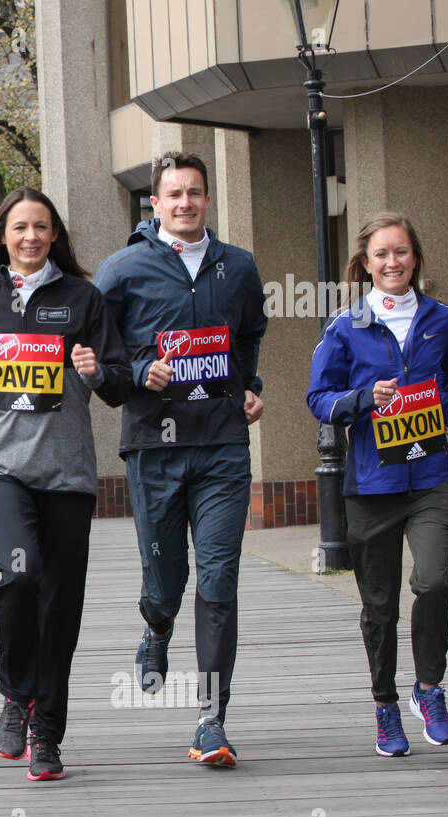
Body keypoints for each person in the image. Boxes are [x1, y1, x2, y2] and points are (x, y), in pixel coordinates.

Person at [0, 188, 130, 781]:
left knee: (60, 605)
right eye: (20, 227)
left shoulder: (83, 298)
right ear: (2, 235)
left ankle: (47, 733)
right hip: (1, 468)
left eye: (41, 227)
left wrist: (96, 371)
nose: (30, 237)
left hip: (67, 473)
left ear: (55, 235)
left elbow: (121, 382)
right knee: (20, 574)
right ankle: (15, 695)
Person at [94, 151, 267, 767]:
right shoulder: (122, 269)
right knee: (165, 580)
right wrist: (140, 369)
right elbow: (98, 350)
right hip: (154, 446)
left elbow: (249, 334)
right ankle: (157, 625)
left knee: (218, 579)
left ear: (207, 199)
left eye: (194, 192)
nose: (185, 202)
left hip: (222, 446)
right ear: (155, 202)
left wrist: (251, 386)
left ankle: (211, 720)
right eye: (174, 194)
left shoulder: (237, 266)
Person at [307, 212, 448, 756]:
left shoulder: (441, 319)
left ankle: (430, 689)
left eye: (401, 252)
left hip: (430, 478)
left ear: (415, 258)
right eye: (382, 254)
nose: (392, 262)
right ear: (366, 263)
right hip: (372, 486)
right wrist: (361, 400)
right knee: (379, 607)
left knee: (434, 581)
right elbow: (319, 398)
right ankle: (385, 707)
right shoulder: (346, 326)